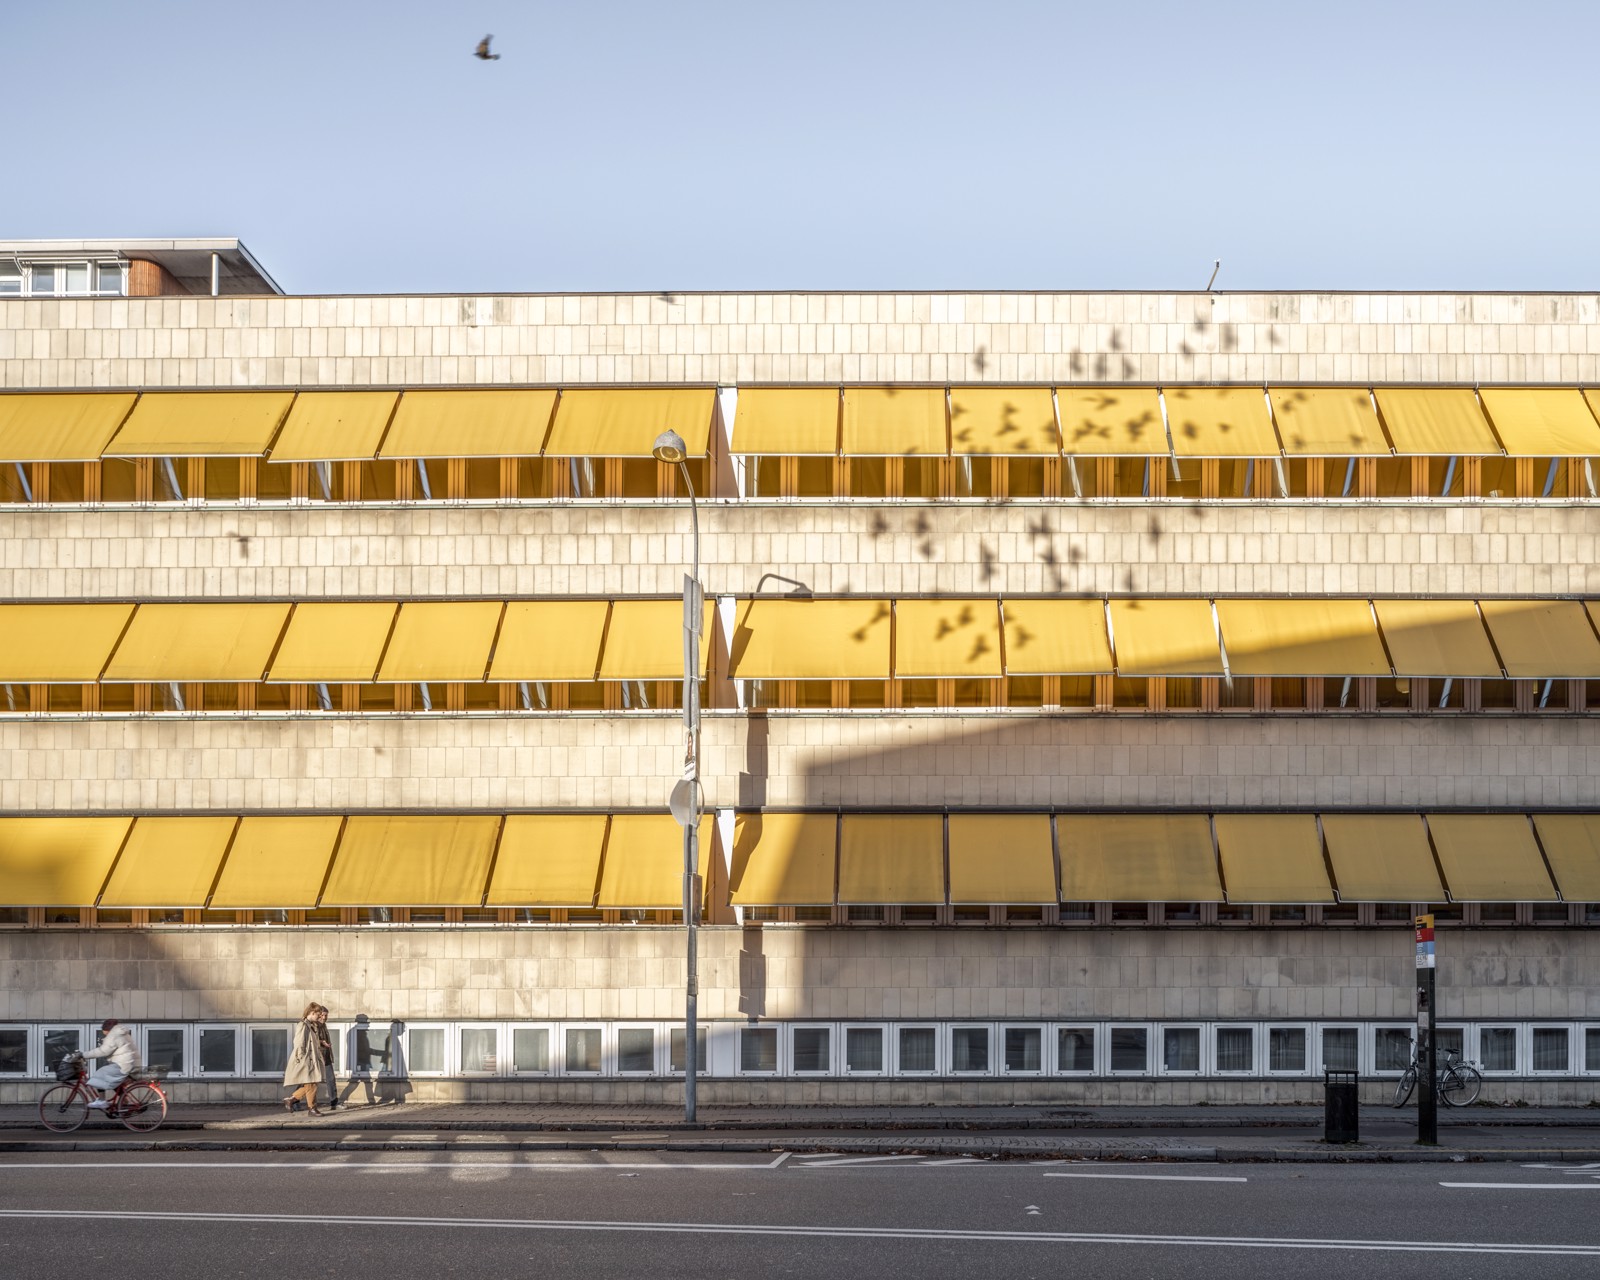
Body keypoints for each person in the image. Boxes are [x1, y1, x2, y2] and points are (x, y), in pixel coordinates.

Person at [81, 1018, 139, 1109]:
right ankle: (124, 1100)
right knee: (113, 1078)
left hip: (123, 1065)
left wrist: (83, 1055)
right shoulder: (121, 1033)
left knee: (100, 1073)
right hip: (129, 1063)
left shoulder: (114, 1035)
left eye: (105, 1033)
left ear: (108, 1029)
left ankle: (101, 1101)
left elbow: (103, 1051)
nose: (105, 1035)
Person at [282, 1002, 326, 1115]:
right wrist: (301, 1058)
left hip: (312, 1058)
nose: (319, 1017)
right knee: (312, 1083)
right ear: (312, 1013)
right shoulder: (303, 1025)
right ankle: (312, 1108)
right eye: (318, 1014)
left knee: (312, 1083)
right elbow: (298, 1042)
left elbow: (311, 1041)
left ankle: (291, 1100)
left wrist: (321, 1042)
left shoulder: (311, 1025)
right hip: (306, 1059)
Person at [315, 1004, 338, 1112]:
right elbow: (311, 1040)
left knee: (331, 1079)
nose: (324, 1017)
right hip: (317, 1057)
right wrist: (322, 1042)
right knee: (309, 1081)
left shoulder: (324, 1025)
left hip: (326, 1056)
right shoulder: (314, 1025)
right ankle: (294, 1100)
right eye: (322, 1015)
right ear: (318, 1015)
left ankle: (334, 1103)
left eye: (326, 1015)